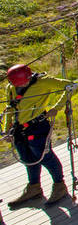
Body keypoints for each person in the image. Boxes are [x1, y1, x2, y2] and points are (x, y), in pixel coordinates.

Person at [3, 64, 72, 208]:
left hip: (38, 127)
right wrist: (7, 129)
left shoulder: (43, 82)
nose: (23, 85)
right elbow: (10, 108)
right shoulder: (11, 88)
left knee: (46, 157)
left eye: (24, 83)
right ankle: (34, 188)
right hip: (19, 129)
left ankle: (60, 186)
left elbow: (71, 86)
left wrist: (56, 108)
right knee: (28, 159)